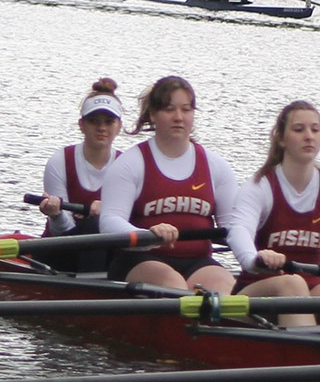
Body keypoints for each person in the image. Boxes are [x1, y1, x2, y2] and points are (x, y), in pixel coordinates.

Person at [228, 100, 320, 327]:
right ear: (282, 139)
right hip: (256, 291)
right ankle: (312, 353)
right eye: (299, 130)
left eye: (315, 129)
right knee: (292, 283)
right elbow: (239, 231)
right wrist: (254, 258)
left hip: (310, 290)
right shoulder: (260, 187)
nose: (309, 136)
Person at [96, 76, 237, 293]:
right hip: (139, 260)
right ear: (153, 115)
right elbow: (109, 222)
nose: (179, 117)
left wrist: (260, 257)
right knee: (173, 286)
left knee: (227, 288)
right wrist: (148, 236)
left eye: (186, 109)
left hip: (197, 262)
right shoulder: (130, 164)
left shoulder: (216, 167)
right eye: (169, 109)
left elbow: (233, 230)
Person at [36, 78, 124, 275]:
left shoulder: (127, 166)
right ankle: (93, 293)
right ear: (81, 125)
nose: (101, 128)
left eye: (109, 122)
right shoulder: (60, 161)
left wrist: (109, 213)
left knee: (100, 224)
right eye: (94, 121)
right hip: (60, 251)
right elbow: (62, 231)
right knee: (94, 224)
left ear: (119, 126)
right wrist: (56, 214)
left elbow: (132, 225)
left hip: (108, 253)